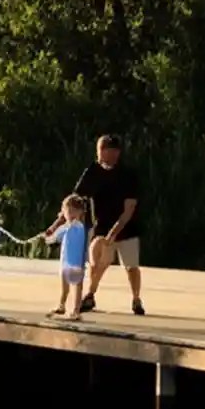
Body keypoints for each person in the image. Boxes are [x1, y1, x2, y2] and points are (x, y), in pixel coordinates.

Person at [46, 134, 144, 315]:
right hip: (101, 226)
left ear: (115, 153)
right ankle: (90, 296)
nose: (100, 155)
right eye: (99, 151)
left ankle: (136, 299)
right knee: (97, 264)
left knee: (131, 266)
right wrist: (55, 225)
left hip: (127, 227)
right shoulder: (93, 171)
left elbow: (129, 209)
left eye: (105, 151)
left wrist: (113, 234)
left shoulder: (128, 175)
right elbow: (73, 202)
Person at [43, 194, 89, 320]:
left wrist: (48, 236)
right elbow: (54, 238)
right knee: (64, 286)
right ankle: (61, 305)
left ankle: (76, 311)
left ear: (80, 212)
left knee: (77, 287)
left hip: (76, 263)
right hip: (65, 261)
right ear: (64, 212)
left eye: (75, 211)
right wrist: (48, 237)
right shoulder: (68, 226)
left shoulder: (76, 226)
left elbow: (54, 237)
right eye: (69, 211)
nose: (71, 214)